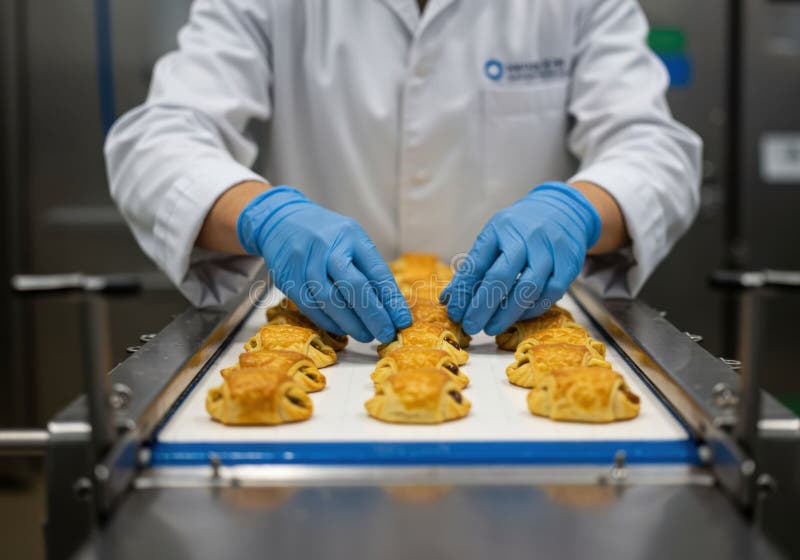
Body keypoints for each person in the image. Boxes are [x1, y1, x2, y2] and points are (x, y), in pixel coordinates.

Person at [105, 0, 701, 344]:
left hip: (514, 328)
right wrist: (264, 216)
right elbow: (157, 141)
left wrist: (581, 211)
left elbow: (653, 146)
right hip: (324, 334)